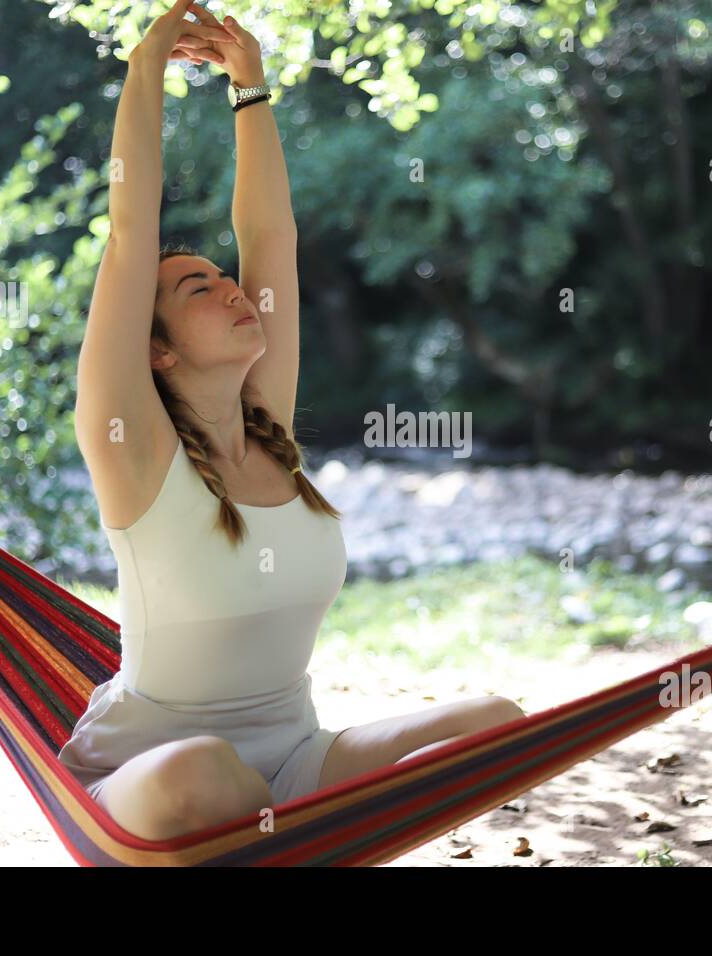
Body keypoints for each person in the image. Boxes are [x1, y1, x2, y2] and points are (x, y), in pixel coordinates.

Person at [57, 0, 524, 842]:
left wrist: (251, 86)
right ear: (155, 352)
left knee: (496, 718)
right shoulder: (134, 450)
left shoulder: (267, 428)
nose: (235, 288)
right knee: (205, 772)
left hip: (294, 769)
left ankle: (292, 835)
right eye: (199, 288)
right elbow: (131, 236)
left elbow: (270, 235)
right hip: (154, 776)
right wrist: (146, 67)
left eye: (224, 278)